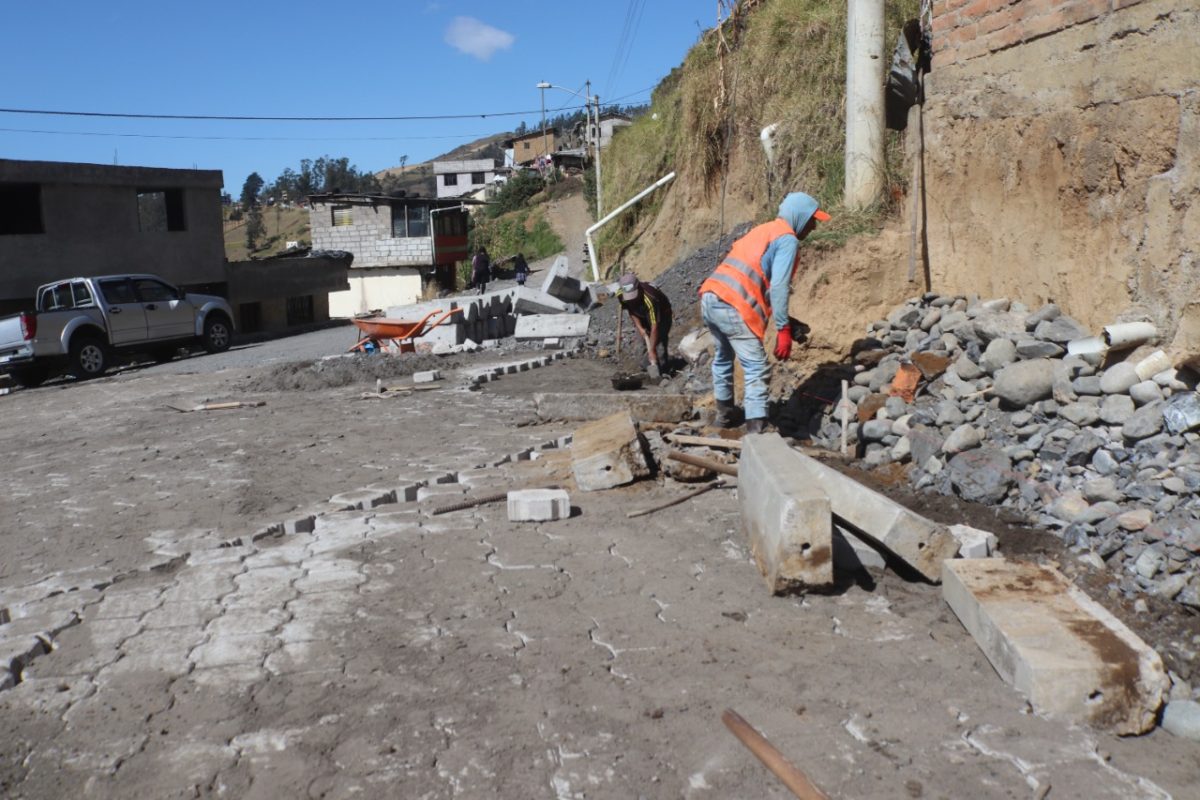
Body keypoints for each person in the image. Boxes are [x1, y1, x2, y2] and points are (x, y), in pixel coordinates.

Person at [699, 191, 830, 433]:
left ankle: (725, 415)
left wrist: (788, 322)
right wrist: (782, 329)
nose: (813, 227)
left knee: (723, 357)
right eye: (812, 220)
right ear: (800, 217)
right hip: (732, 305)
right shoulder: (787, 239)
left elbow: (763, 286)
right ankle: (757, 427)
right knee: (756, 367)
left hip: (711, 297)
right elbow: (779, 286)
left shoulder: (764, 230)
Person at [617, 272, 673, 379]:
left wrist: (652, 350)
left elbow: (655, 327)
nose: (631, 300)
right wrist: (640, 328)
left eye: (633, 296)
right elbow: (631, 310)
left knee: (659, 346)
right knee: (640, 346)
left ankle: (662, 374)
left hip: (662, 315)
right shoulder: (621, 294)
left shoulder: (650, 299)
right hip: (641, 315)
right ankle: (648, 372)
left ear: (639, 288)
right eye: (629, 298)